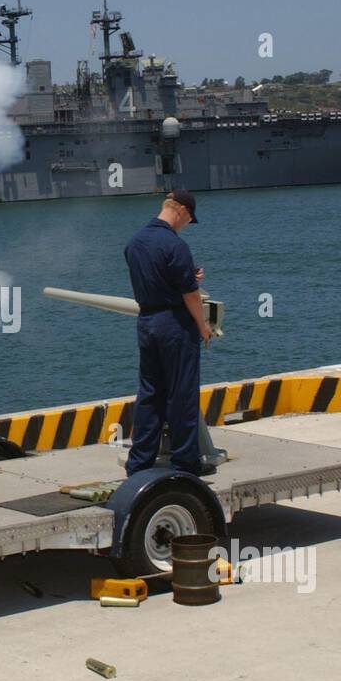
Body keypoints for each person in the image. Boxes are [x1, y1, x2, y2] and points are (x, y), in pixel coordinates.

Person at [123, 192, 214, 477]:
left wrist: (187, 276)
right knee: (181, 394)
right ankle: (185, 463)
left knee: (150, 393)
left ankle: (139, 462)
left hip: (147, 321)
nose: (186, 225)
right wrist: (203, 325)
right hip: (174, 324)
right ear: (183, 212)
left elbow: (155, 277)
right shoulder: (176, 244)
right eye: (188, 220)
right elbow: (190, 294)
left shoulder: (134, 242)